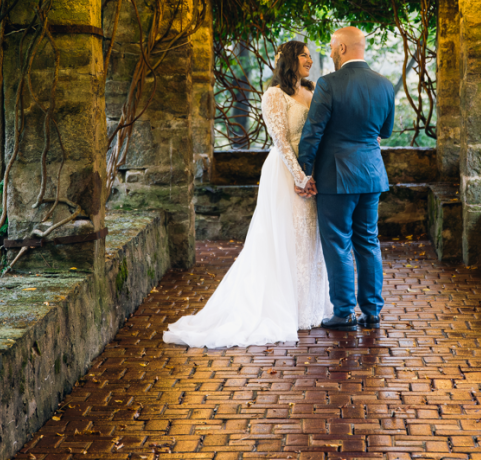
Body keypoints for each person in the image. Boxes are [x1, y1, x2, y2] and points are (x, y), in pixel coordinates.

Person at [163, 40, 331, 349]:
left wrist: (314, 174)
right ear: (290, 60)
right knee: (284, 236)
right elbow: (280, 140)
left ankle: (310, 306)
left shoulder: (314, 91)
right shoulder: (273, 95)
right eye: (304, 54)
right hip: (285, 174)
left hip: (313, 174)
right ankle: (284, 307)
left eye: (310, 54)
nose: (309, 59)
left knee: (309, 236)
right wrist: (300, 177)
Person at [298, 26, 396, 330]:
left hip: (336, 177)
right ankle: (372, 312)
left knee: (338, 242)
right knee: (368, 241)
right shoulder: (385, 85)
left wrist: (303, 172)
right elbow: (386, 132)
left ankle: (343, 312)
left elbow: (312, 133)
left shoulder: (329, 84)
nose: (328, 51)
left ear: (341, 48)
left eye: (330, 46)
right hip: (371, 175)